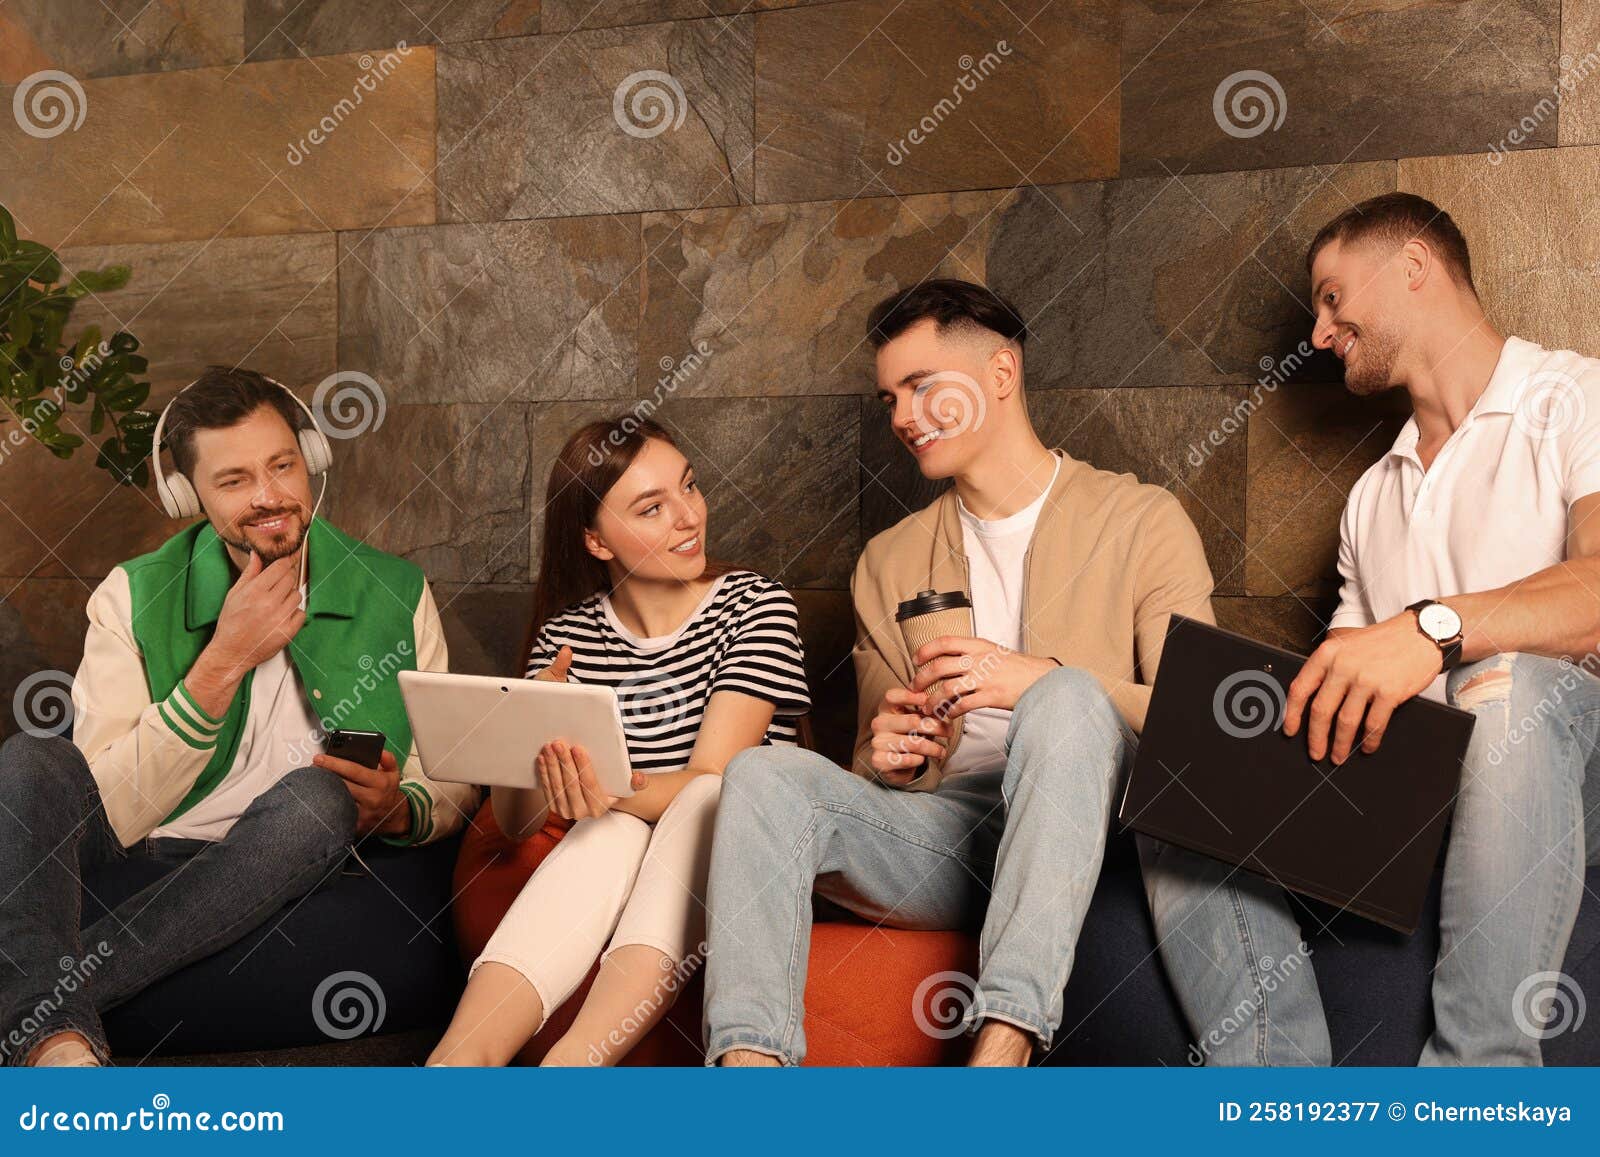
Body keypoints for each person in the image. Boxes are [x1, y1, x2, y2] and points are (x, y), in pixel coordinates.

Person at [701, 279, 1217, 1066]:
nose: (903, 417)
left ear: (1001, 376)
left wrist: (1041, 676)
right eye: (889, 399)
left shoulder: (1142, 519)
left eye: (920, 386)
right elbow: (879, 779)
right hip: (952, 836)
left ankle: (1001, 1050)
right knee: (764, 773)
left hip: (1093, 825)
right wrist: (888, 752)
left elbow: (1205, 722)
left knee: (1069, 698)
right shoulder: (888, 561)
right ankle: (750, 1079)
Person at [1152, 192, 1600, 1065]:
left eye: (1330, 296)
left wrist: (1433, 630)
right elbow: (1346, 702)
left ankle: (1478, 1090)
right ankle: (1284, 1097)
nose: (1319, 333)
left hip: (1570, 763)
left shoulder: (1574, 396)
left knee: (1503, 685)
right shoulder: (1373, 496)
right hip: (1425, 792)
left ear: (1414, 266)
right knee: (1179, 778)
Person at [0, 366, 476, 1067]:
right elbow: (104, 804)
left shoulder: (395, 590)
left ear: (310, 460)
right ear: (186, 494)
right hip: (149, 860)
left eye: (283, 466)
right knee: (28, 758)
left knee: (319, 801)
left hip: (303, 864)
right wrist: (220, 663)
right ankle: (59, 1043)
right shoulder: (131, 594)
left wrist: (401, 809)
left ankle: (39, 1009)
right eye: (233, 481)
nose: (269, 497)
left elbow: (453, 775)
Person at [428, 416, 810, 1067]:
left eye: (689, 488)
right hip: (609, 847)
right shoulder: (567, 636)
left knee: (703, 798)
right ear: (596, 541)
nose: (688, 516)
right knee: (610, 832)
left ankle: (578, 1059)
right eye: (652, 508)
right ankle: (459, 1064)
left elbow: (715, 774)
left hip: (746, 850)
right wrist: (527, 738)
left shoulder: (756, 606)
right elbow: (519, 824)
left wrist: (602, 793)